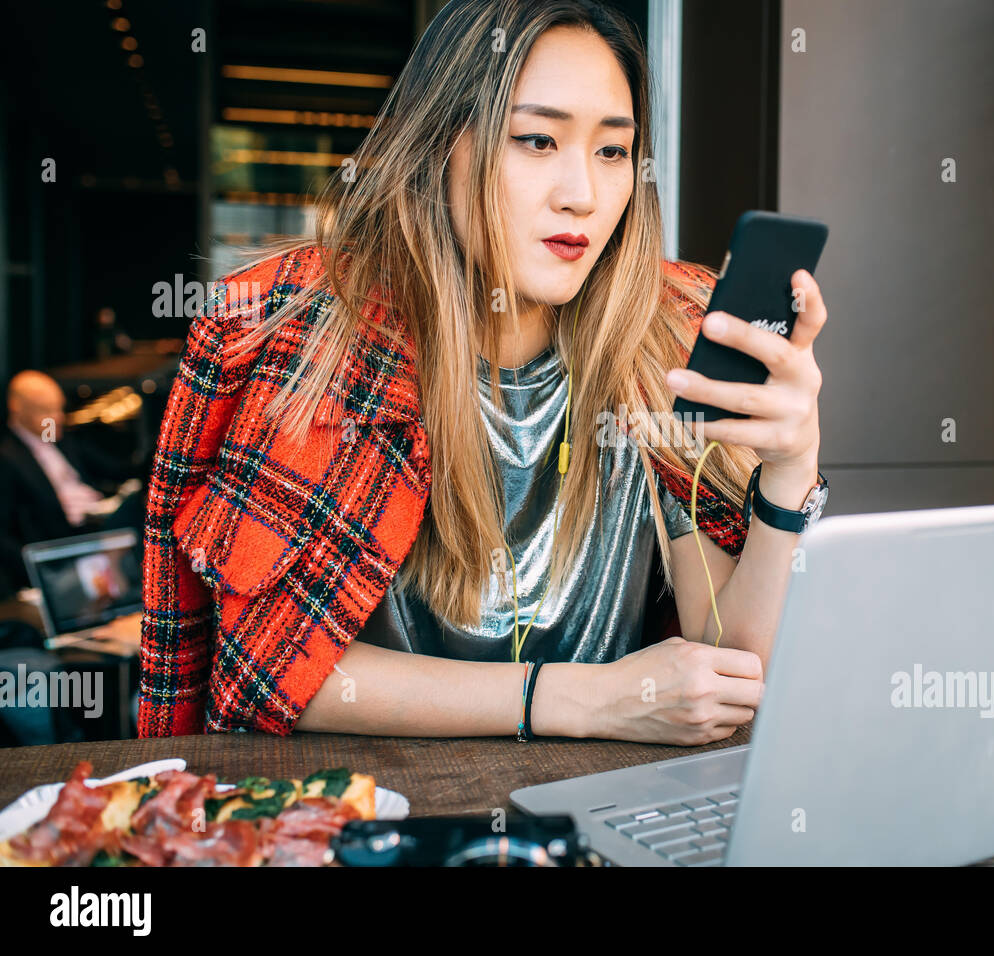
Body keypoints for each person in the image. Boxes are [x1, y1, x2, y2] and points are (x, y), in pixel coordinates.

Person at [137, 0, 829, 745]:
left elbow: (729, 680)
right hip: (377, 817)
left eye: (612, 151)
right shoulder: (313, 330)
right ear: (441, 146)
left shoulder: (668, 333)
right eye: (537, 140)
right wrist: (576, 700)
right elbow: (266, 673)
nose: (582, 195)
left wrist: (789, 476)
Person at [0, 370, 140, 596]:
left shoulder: (63, 441)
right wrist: (39, 574)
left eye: (58, 409)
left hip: (98, 538)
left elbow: (116, 470)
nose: (56, 418)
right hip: (57, 559)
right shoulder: (7, 458)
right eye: (46, 411)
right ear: (17, 407)